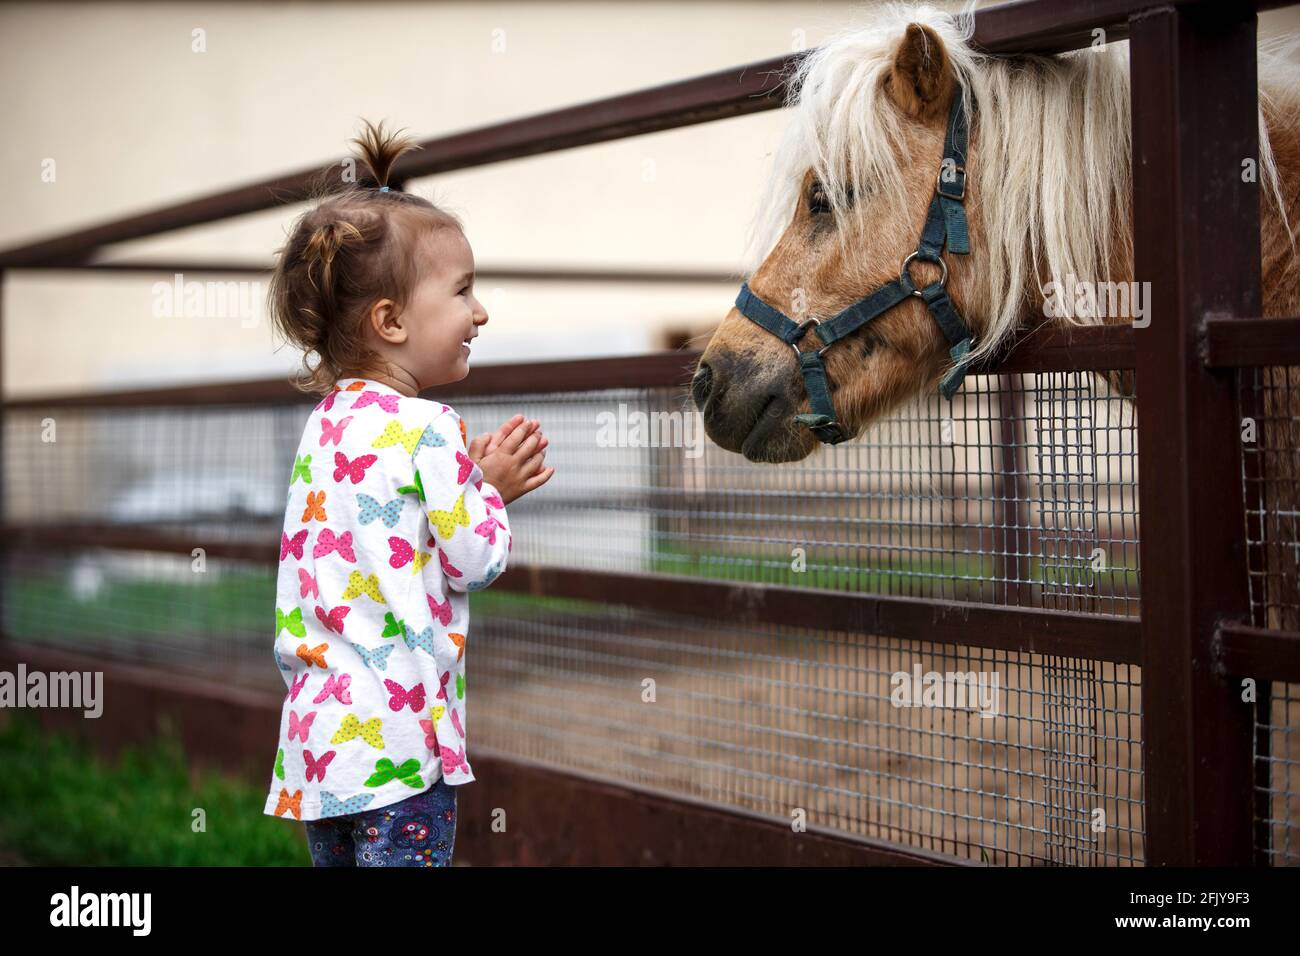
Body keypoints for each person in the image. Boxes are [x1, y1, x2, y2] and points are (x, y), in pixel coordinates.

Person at [262, 119, 553, 866]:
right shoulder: (430, 428)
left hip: (320, 751)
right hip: (398, 748)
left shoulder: (324, 427)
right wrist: (490, 492)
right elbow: (474, 559)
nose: (479, 313)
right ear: (390, 321)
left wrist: (465, 483)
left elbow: (379, 538)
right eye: (462, 292)